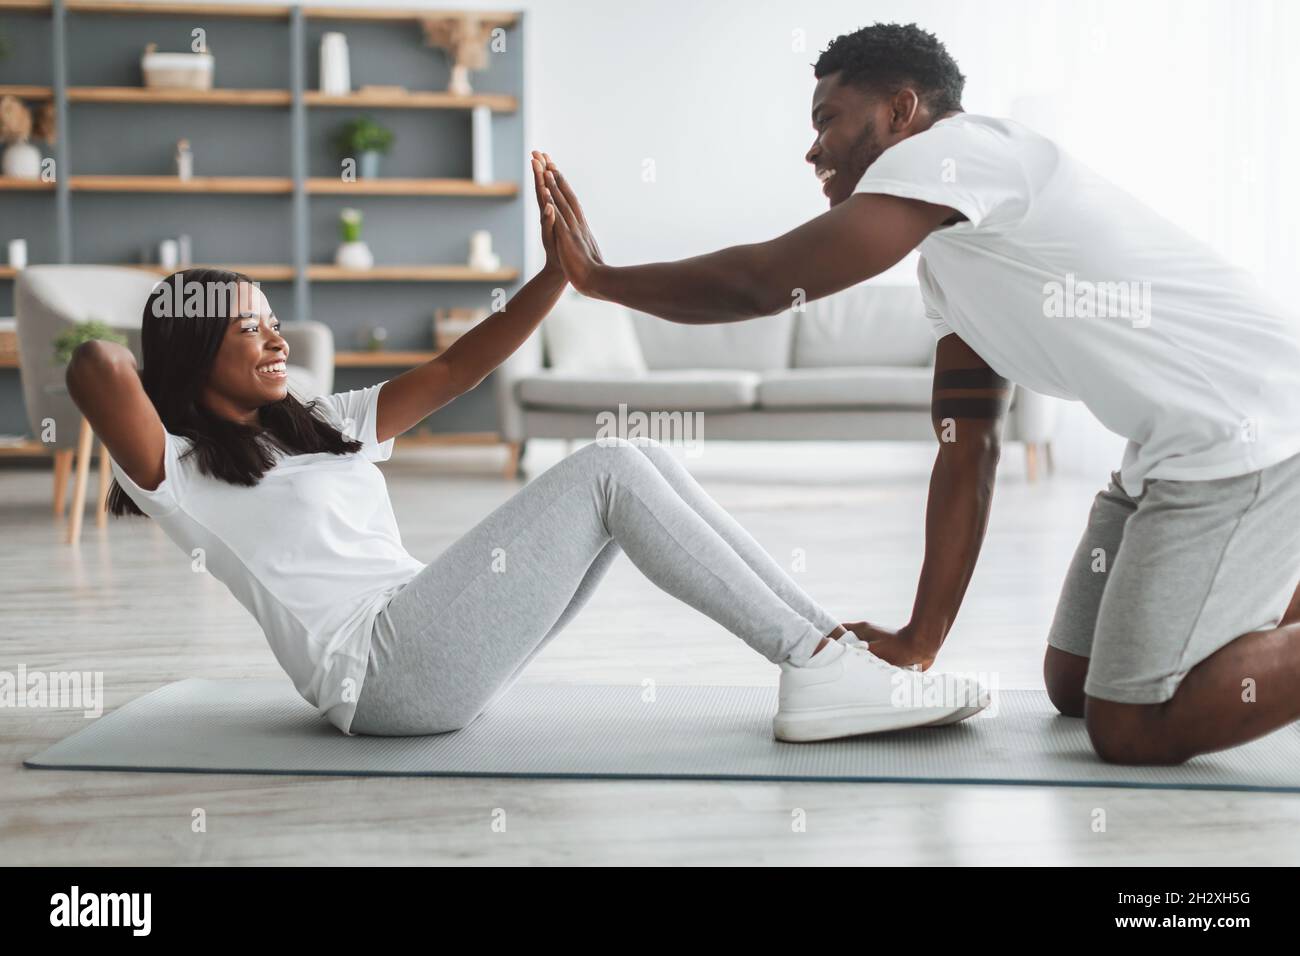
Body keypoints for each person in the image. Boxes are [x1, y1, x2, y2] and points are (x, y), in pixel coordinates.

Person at [538, 23, 1300, 765]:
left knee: (1129, 726)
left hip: (1245, 431)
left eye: (827, 120)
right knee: (1072, 686)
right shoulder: (950, 266)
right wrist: (921, 638)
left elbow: (765, 282)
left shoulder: (965, 153)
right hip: (1167, 452)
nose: (812, 149)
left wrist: (599, 280)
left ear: (901, 111)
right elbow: (967, 448)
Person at [65, 151, 985, 744]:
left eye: (273, 323)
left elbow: (461, 367)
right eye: (247, 330)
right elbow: (98, 364)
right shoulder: (176, 473)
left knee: (637, 465)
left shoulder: (323, 424)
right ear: (194, 355)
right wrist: (170, 341)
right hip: (383, 676)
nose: (276, 341)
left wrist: (560, 276)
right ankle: (819, 668)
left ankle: (826, 653)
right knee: (611, 466)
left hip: (425, 635)